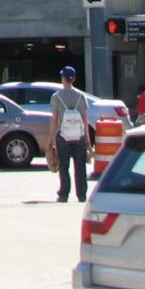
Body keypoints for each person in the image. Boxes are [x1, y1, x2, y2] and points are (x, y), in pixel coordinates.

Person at [48, 65, 91, 203]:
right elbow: (85, 120)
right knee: (80, 166)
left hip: (63, 136)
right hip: (79, 136)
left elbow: (54, 120)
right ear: (74, 79)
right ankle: (82, 195)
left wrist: (51, 138)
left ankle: (64, 194)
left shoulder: (56, 97)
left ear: (63, 79)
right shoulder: (81, 96)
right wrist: (88, 142)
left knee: (64, 166)